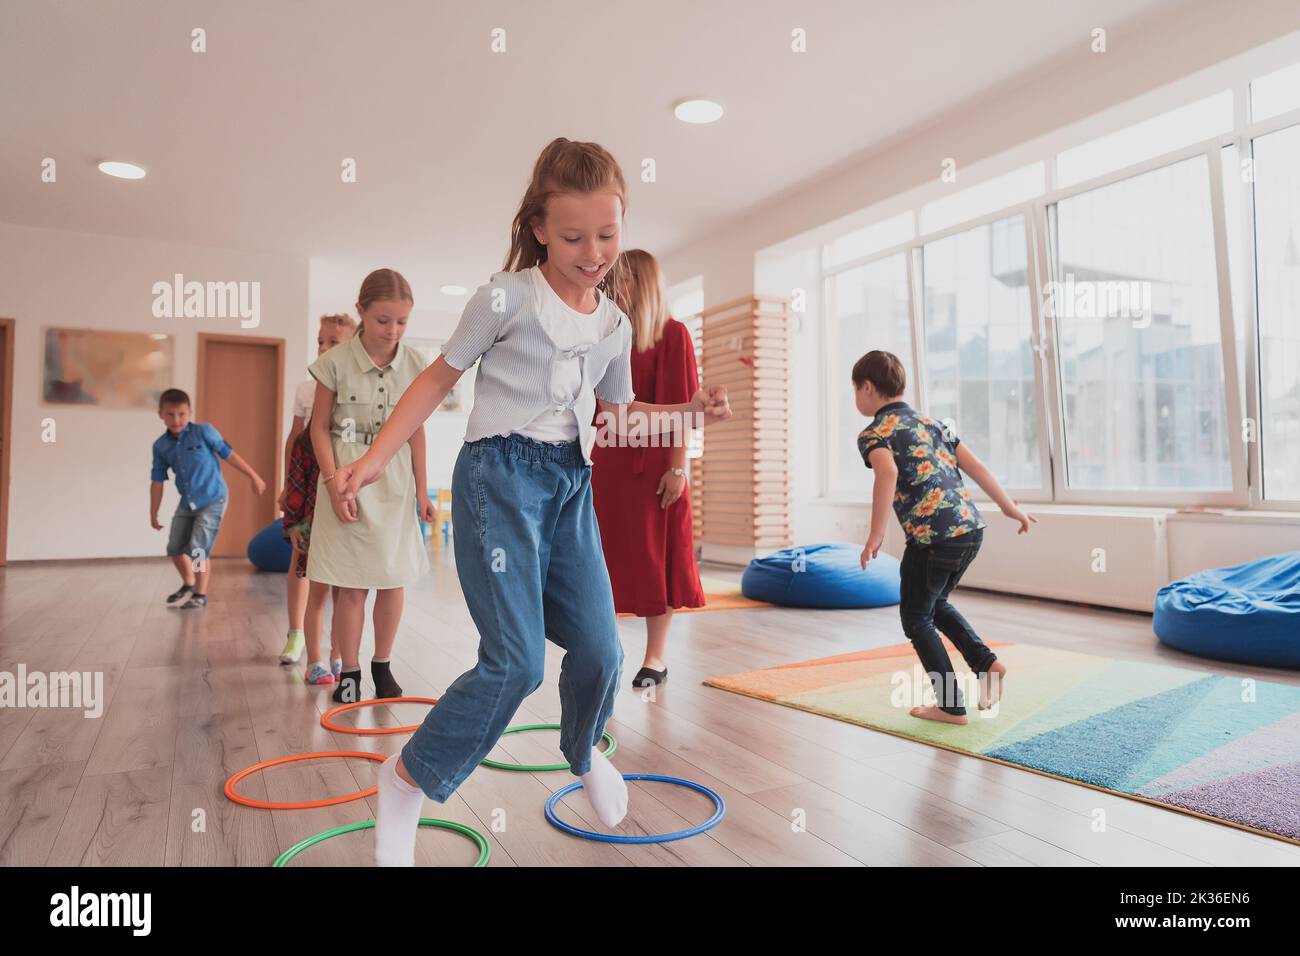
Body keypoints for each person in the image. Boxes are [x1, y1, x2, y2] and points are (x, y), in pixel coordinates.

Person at [337, 138, 732, 866]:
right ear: (540, 227)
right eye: (574, 236)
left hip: (569, 486)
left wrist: (687, 414)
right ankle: (406, 782)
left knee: (602, 649)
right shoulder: (505, 296)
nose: (593, 252)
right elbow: (435, 382)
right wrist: (373, 458)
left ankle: (582, 752)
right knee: (516, 663)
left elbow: (613, 418)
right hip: (499, 480)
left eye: (607, 236)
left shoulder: (614, 322)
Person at [855, 350, 1030, 724]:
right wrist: (1009, 508)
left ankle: (950, 705)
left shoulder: (875, 432)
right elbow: (977, 467)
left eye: (855, 390)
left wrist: (875, 534)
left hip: (933, 538)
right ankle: (987, 665)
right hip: (970, 530)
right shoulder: (935, 424)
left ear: (867, 388)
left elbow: (886, 473)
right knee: (933, 604)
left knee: (915, 616)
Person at [306, 270, 434, 704]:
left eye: (401, 322)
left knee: (392, 578)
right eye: (383, 320)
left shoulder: (419, 366)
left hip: (394, 482)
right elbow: (318, 428)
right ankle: (351, 671)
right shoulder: (334, 362)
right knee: (352, 583)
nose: (392, 331)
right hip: (346, 480)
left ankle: (383, 664)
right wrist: (331, 482)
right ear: (361, 311)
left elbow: (416, 431)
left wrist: (422, 491)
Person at [591, 249, 704, 688]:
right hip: (607, 462)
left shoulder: (673, 334)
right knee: (606, 560)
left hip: (654, 466)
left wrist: (677, 468)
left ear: (642, 282)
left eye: (621, 279)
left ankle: (655, 656)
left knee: (657, 559)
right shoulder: (609, 333)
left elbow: (685, 408)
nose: (614, 287)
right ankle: (608, 652)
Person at [278, 313, 356, 681]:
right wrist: (287, 492)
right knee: (305, 566)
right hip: (309, 496)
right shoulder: (307, 389)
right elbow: (296, 445)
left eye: (333, 343)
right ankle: (299, 638)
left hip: (343, 497)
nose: (323, 349)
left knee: (343, 582)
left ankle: (339, 654)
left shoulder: (357, 390)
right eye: (320, 342)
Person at [150, 388, 266, 609]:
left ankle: (200, 594)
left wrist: (254, 476)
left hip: (213, 499)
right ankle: (189, 583)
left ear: (190, 412)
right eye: (170, 414)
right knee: (174, 548)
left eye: (182, 414)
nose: (176, 419)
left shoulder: (204, 432)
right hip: (188, 502)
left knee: (198, 549)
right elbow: (157, 480)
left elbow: (229, 454)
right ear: (161, 414)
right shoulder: (160, 446)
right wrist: (153, 512)